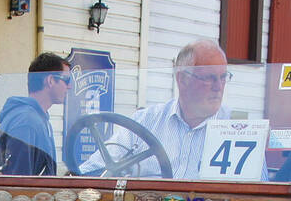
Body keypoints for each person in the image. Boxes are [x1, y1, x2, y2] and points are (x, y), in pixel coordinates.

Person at [84, 39, 231, 179]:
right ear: (183, 79)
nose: (218, 87)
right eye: (209, 78)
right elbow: (91, 171)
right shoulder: (144, 121)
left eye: (223, 77)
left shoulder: (237, 129)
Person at [0, 53, 71, 176]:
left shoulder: (38, 118)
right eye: (66, 80)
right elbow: (17, 183)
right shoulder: (26, 121)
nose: (69, 86)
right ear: (51, 80)